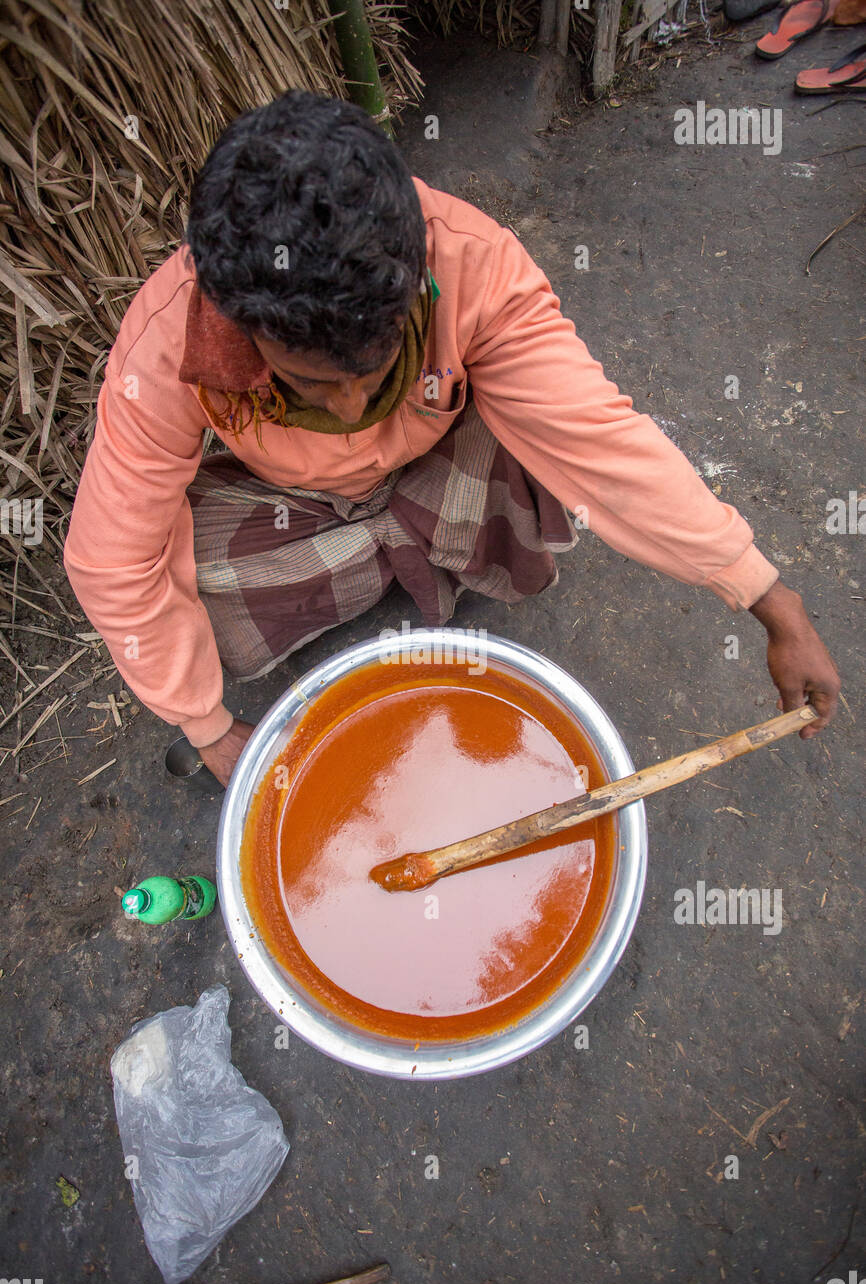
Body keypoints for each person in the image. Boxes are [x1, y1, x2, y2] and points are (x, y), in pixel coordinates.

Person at [63, 89, 840, 787]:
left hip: (435, 456)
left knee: (541, 449)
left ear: (415, 277)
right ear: (243, 328)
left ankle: (394, 553)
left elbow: (601, 442)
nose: (351, 406)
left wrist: (768, 598)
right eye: (310, 383)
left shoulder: (471, 261)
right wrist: (208, 726)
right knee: (181, 568)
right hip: (291, 500)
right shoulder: (167, 346)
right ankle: (402, 555)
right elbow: (111, 557)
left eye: (373, 366)